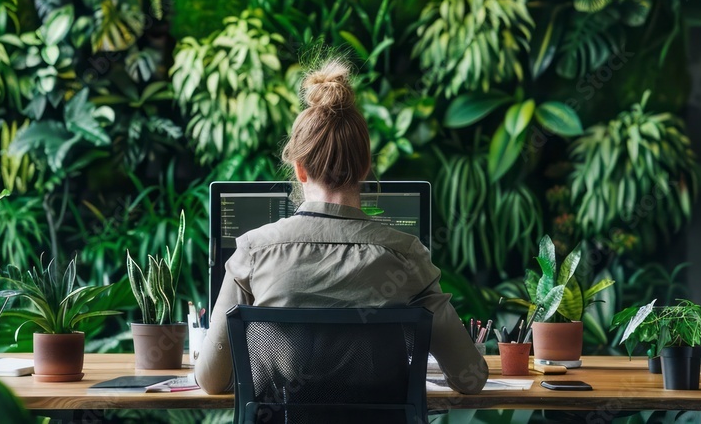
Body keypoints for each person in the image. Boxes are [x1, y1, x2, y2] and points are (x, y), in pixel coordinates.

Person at [194, 59, 488, 395]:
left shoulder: (253, 252)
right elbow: (470, 377)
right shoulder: (407, 256)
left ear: (300, 170)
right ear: (365, 167)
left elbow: (212, 381)